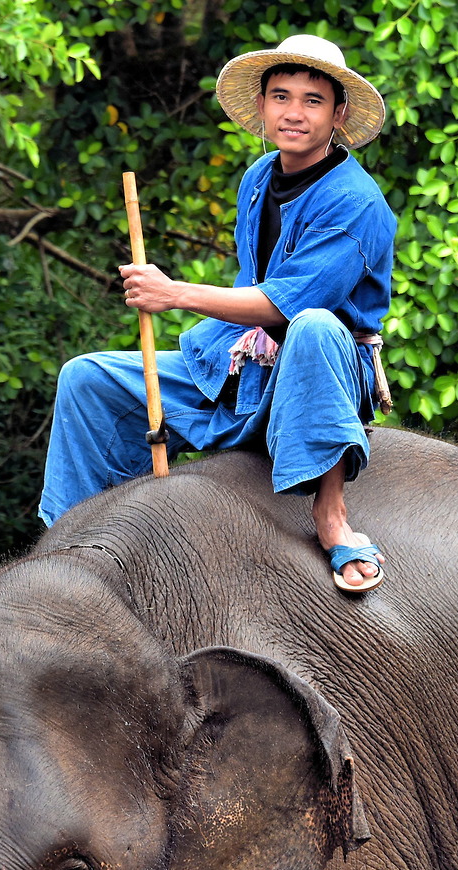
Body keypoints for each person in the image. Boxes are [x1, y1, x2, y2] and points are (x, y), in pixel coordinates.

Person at [39, 34, 396, 592]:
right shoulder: (258, 180)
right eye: (281, 97)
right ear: (261, 106)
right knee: (85, 378)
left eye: (312, 100)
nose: (294, 114)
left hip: (319, 369)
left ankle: (331, 516)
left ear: (338, 114)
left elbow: (287, 303)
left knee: (314, 326)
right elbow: (252, 291)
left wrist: (173, 292)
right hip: (244, 358)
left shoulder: (357, 202)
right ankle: (76, 539)